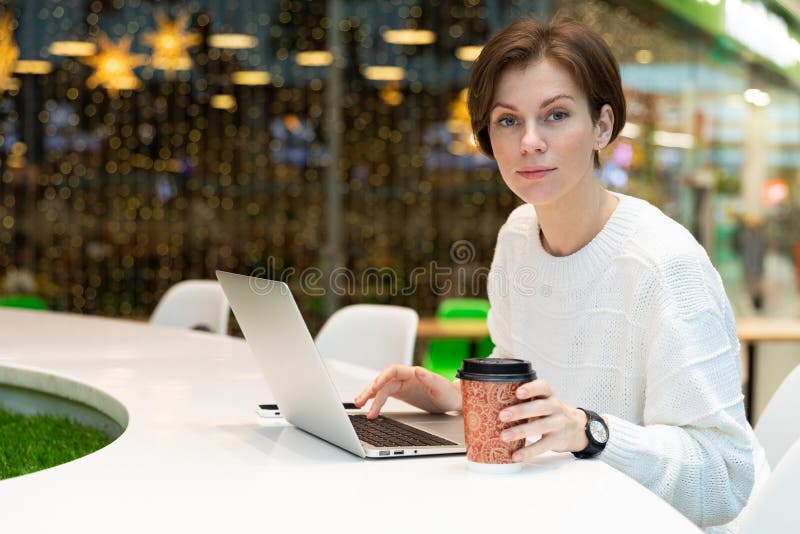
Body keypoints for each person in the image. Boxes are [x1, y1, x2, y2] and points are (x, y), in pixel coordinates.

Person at [354, 16, 769, 533]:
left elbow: (726, 478)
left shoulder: (667, 265)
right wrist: (458, 398)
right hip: (564, 514)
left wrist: (590, 431)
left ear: (602, 126)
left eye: (556, 115)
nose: (530, 141)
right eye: (508, 121)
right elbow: (528, 383)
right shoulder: (518, 234)